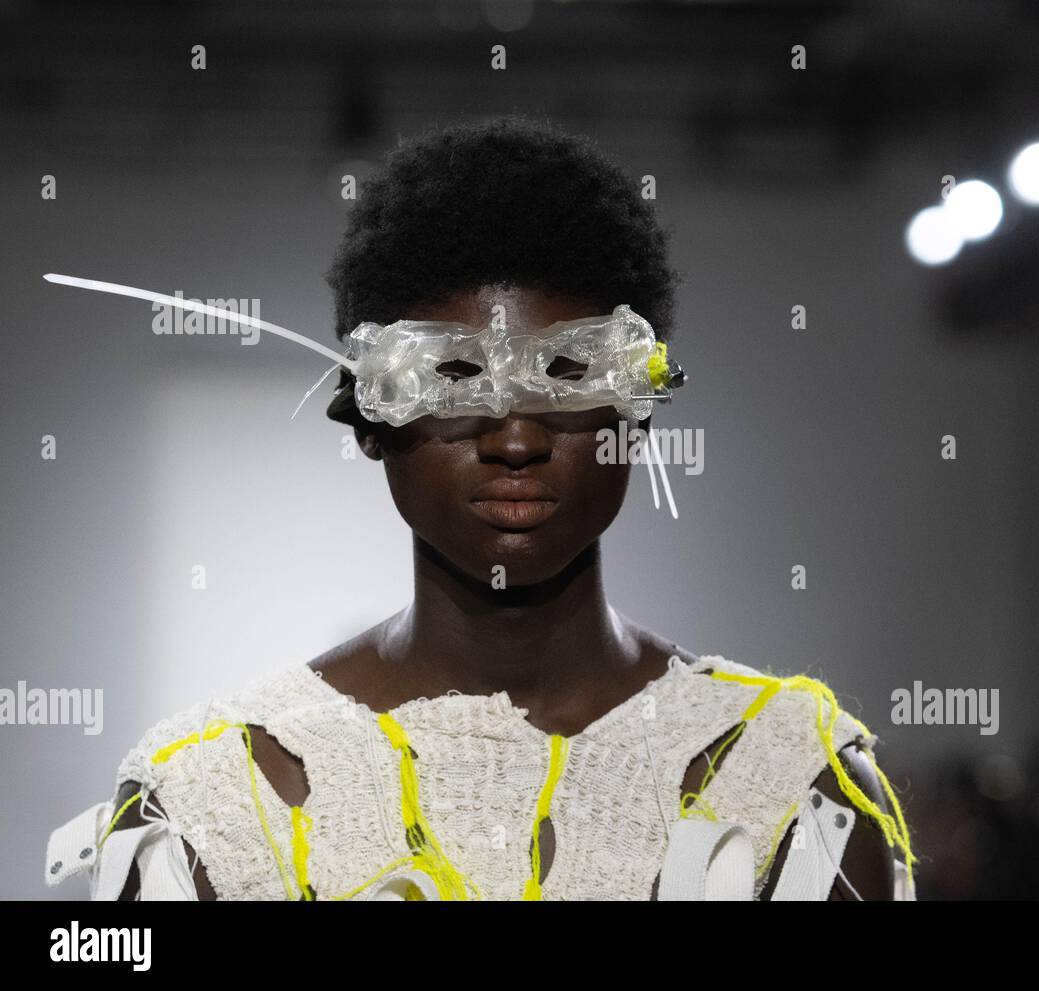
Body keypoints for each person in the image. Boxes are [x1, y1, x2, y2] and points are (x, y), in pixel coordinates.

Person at [44, 114, 916, 901]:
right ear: (370, 421)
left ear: (636, 411)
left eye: (570, 377)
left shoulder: (787, 782)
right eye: (454, 379)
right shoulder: (220, 803)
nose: (513, 438)